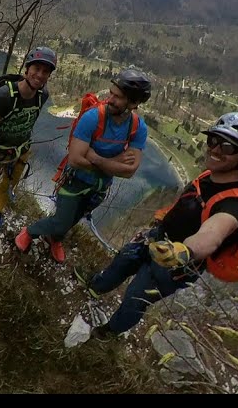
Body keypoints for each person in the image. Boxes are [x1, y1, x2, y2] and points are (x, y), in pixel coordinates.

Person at [76, 111, 238, 340]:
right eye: (213, 141)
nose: (215, 149)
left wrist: (185, 251)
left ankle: (108, 332)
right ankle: (95, 287)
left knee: (135, 298)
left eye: (227, 147)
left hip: (175, 266)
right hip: (156, 237)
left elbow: (213, 233)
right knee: (122, 261)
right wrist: (156, 225)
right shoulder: (209, 176)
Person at [15, 69, 151, 263]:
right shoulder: (93, 118)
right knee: (61, 221)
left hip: (99, 188)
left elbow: (130, 171)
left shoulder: (138, 128)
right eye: (111, 93)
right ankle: (30, 232)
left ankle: (55, 239)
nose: (110, 99)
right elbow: (76, 159)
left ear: (134, 103)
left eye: (118, 97)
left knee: (72, 220)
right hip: (74, 181)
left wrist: (95, 157)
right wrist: (115, 162)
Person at [0, 47, 57, 232]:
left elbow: (29, 120)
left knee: (9, 182)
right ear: (27, 69)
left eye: (45, 71)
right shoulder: (3, 96)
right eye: (36, 69)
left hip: (21, 149)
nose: (40, 75)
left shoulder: (42, 96)